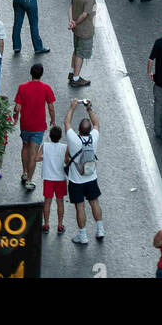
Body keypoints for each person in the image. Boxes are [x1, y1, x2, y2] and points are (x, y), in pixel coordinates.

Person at [63, 98, 105, 245]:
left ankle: (83, 235)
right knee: (95, 202)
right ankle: (100, 230)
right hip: (91, 177)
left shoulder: (74, 140)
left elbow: (67, 123)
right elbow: (97, 123)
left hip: (76, 180)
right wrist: (89, 108)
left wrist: (72, 107)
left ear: (79, 130)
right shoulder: (94, 137)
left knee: (79, 207)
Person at [13, 62, 56, 191]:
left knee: (25, 147)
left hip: (25, 124)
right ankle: (29, 180)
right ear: (41, 74)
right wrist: (52, 119)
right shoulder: (46, 88)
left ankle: (24, 172)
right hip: (38, 126)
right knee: (33, 153)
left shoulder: (22, 87)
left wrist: (15, 117)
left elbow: (17, 107)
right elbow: (51, 106)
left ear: (30, 73)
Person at [68, 0, 97, 88]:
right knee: (81, 54)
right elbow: (85, 14)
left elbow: (70, 7)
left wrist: (71, 21)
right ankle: (76, 78)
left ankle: (71, 72)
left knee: (76, 50)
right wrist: (75, 23)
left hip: (76, 30)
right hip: (85, 31)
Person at [41, 125, 68, 234]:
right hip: (60, 178)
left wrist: (46, 157)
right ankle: (60, 225)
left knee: (47, 201)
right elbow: (67, 161)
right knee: (60, 202)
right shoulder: (64, 147)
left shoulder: (45, 146)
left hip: (48, 177)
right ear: (61, 136)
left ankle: (46, 224)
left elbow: (36, 158)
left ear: (50, 136)